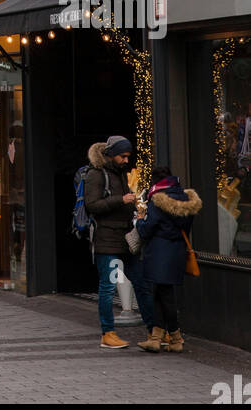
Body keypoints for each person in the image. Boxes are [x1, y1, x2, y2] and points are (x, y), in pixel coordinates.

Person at [84, 135, 156, 349]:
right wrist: (122, 200)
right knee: (107, 287)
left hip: (124, 238)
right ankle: (107, 333)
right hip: (106, 239)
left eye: (127, 156)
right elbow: (92, 205)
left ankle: (154, 330)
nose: (126, 160)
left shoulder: (119, 174)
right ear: (111, 155)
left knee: (141, 283)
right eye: (122, 156)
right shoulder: (96, 174)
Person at [135, 164, 202, 354]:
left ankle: (175, 338)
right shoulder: (185, 198)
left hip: (159, 252)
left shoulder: (158, 200)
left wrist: (140, 220)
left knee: (165, 296)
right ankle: (157, 338)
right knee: (161, 293)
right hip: (177, 251)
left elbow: (148, 229)